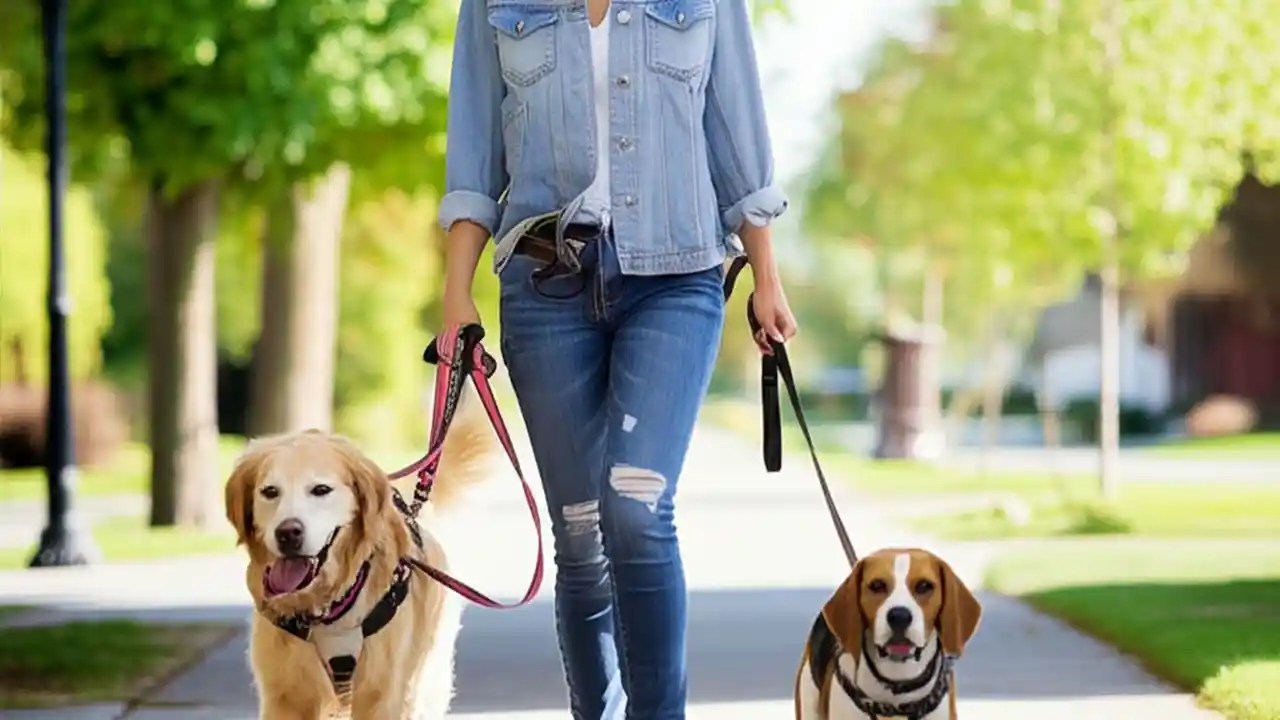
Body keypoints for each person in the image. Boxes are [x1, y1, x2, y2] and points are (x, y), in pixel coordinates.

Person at [438, 0, 796, 716]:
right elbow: (473, 151)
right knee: (577, 530)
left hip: (677, 276)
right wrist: (456, 293)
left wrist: (767, 277)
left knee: (635, 507)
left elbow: (736, 133)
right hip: (545, 286)